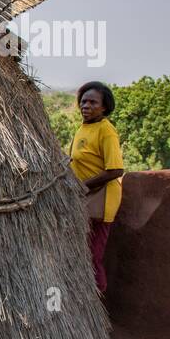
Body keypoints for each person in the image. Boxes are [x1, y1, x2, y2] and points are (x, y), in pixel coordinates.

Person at [69, 81, 125, 295]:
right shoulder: (83, 128)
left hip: (101, 200)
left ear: (104, 107)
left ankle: (95, 301)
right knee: (79, 251)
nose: (86, 106)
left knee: (93, 254)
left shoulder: (106, 130)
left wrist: (83, 186)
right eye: (83, 101)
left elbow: (116, 170)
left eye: (93, 102)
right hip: (84, 196)